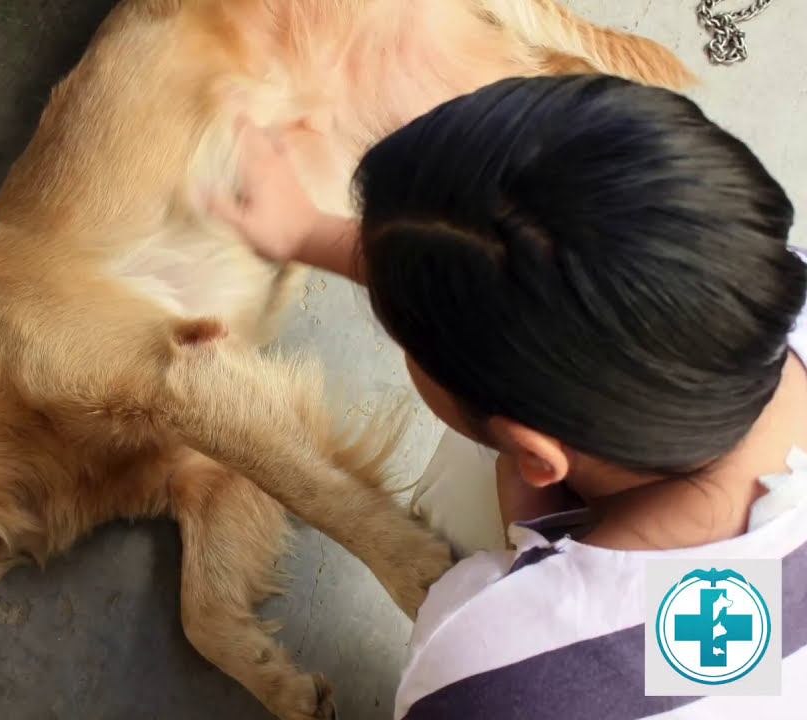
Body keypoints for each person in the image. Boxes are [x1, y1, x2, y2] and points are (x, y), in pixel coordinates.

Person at [203, 74, 807, 719]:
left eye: (407, 341)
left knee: (452, 498)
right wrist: (309, 233)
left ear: (537, 459)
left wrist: (529, 543)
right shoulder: (772, 282)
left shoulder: (495, 676)